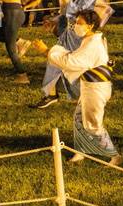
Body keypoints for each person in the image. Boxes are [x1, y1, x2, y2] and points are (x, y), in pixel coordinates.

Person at [47, 9, 119, 164]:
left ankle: (114, 156)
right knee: (79, 119)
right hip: (90, 87)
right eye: (75, 23)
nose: (76, 26)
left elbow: (72, 62)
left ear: (90, 25)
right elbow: (76, 59)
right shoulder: (90, 40)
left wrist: (47, 51)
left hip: (96, 88)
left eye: (80, 23)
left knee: (93, 123)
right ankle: (81, 151)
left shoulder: (93, 43)